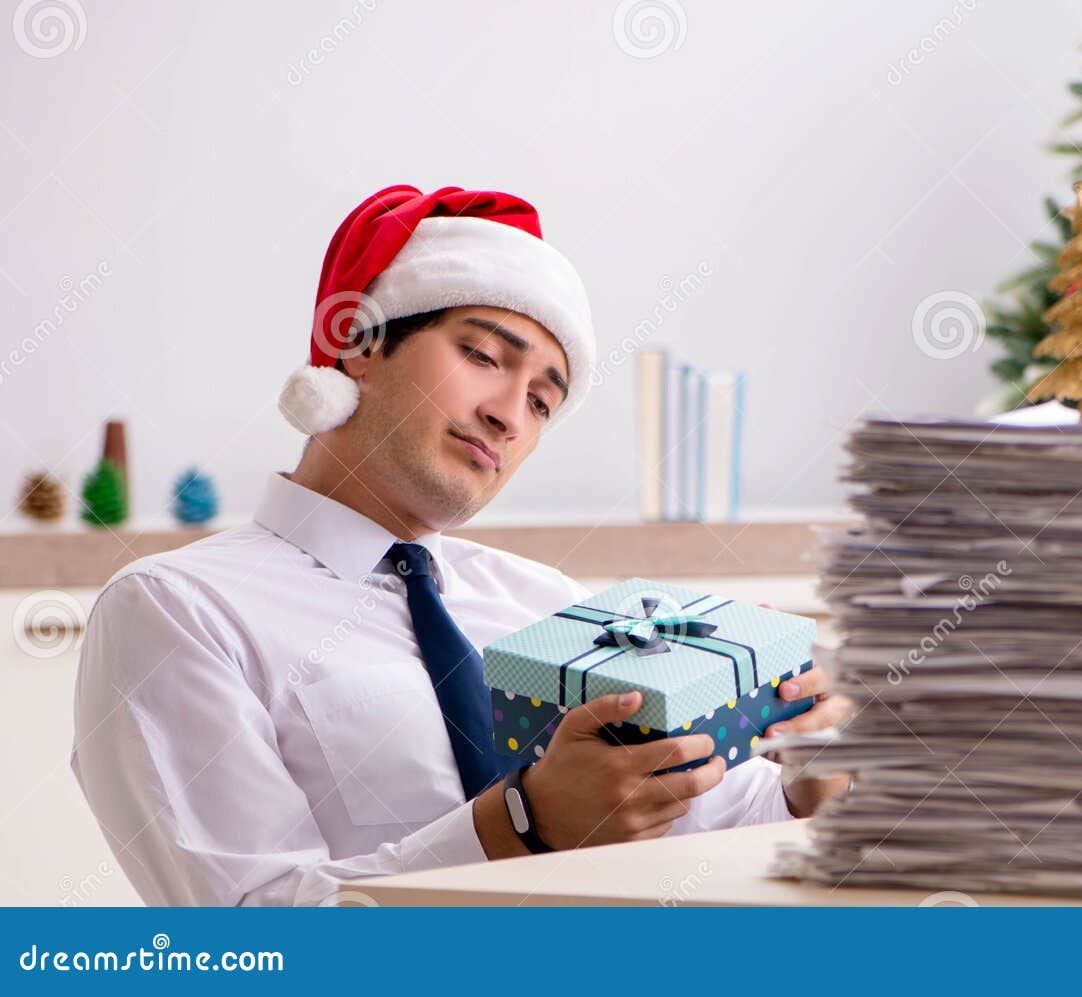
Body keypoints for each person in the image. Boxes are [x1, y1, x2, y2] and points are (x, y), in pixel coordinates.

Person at [69, 185, 851, 906]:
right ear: (361, 343)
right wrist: (520, 824)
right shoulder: (177, 611)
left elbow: (698, 803)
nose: (511, 414)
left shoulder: (554, 603)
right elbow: (252, 937)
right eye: (483, 356)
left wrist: (806, 779)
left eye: (544, 400)